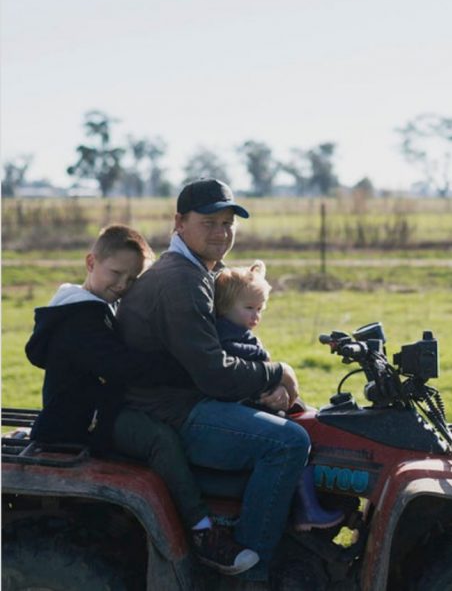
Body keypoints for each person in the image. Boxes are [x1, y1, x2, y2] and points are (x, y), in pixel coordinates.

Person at [24, 224, 259, 576]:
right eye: (115, 273)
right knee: (159, 439)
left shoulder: (96, 308)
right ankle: (201, 531)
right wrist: (193, 368)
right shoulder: (80, 319)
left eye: (132, 280)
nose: (121, 286)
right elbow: (125, 366)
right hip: (80, 422)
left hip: (96, 409)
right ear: (91, 262)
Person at [117, 178, 311, 583]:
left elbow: (227, 350)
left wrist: (264, 387)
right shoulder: (181, 280)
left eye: (228, 223)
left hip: (186, 397)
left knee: (305, 419)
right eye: (210, 222)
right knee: (288, 441)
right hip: (171, 411)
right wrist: (278, 373)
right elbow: (215, 374)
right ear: (179, 223)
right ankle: (248, 574)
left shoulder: (202, 273)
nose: (221, 233)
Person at [214, 260, 344, 531]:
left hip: (250, 398)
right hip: (241, 405)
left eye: (260, 309)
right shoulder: (230, 336)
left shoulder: (237, 332)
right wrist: (272, 373)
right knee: (297, 437)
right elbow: (255, 365)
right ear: (225, 306)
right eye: (249, 308)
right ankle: (306, 509)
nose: (255, 316)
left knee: (305, 414)